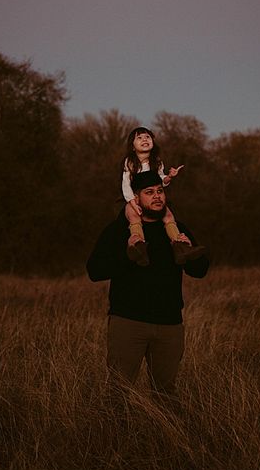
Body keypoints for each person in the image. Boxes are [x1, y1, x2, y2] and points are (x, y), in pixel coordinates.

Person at [86, 170, 211, 395]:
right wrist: (128, 255)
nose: (157, 196)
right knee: (119, 391)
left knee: (166, 393)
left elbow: (200, 270)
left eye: (160, 191)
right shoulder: (118, 230)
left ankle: (161, 430)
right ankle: (115, 430)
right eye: (149, 192)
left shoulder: (176, 230)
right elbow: (94, 271)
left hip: (169, 324)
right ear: (136, 198)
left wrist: (190, 248)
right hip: (128, 322)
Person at [119, 126, 205, 266]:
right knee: (133, 216)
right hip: (133, 197)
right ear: (132, 146)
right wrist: (132, 202)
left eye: (147, 137)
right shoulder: (130, 161)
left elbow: (161, 180)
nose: (144, 140)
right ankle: (138, 245)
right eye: (139, 138)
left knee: (169, 216)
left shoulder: (156, 161)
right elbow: (125, 183)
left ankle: (180, 245)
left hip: (151, 198)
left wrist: (169, 177)